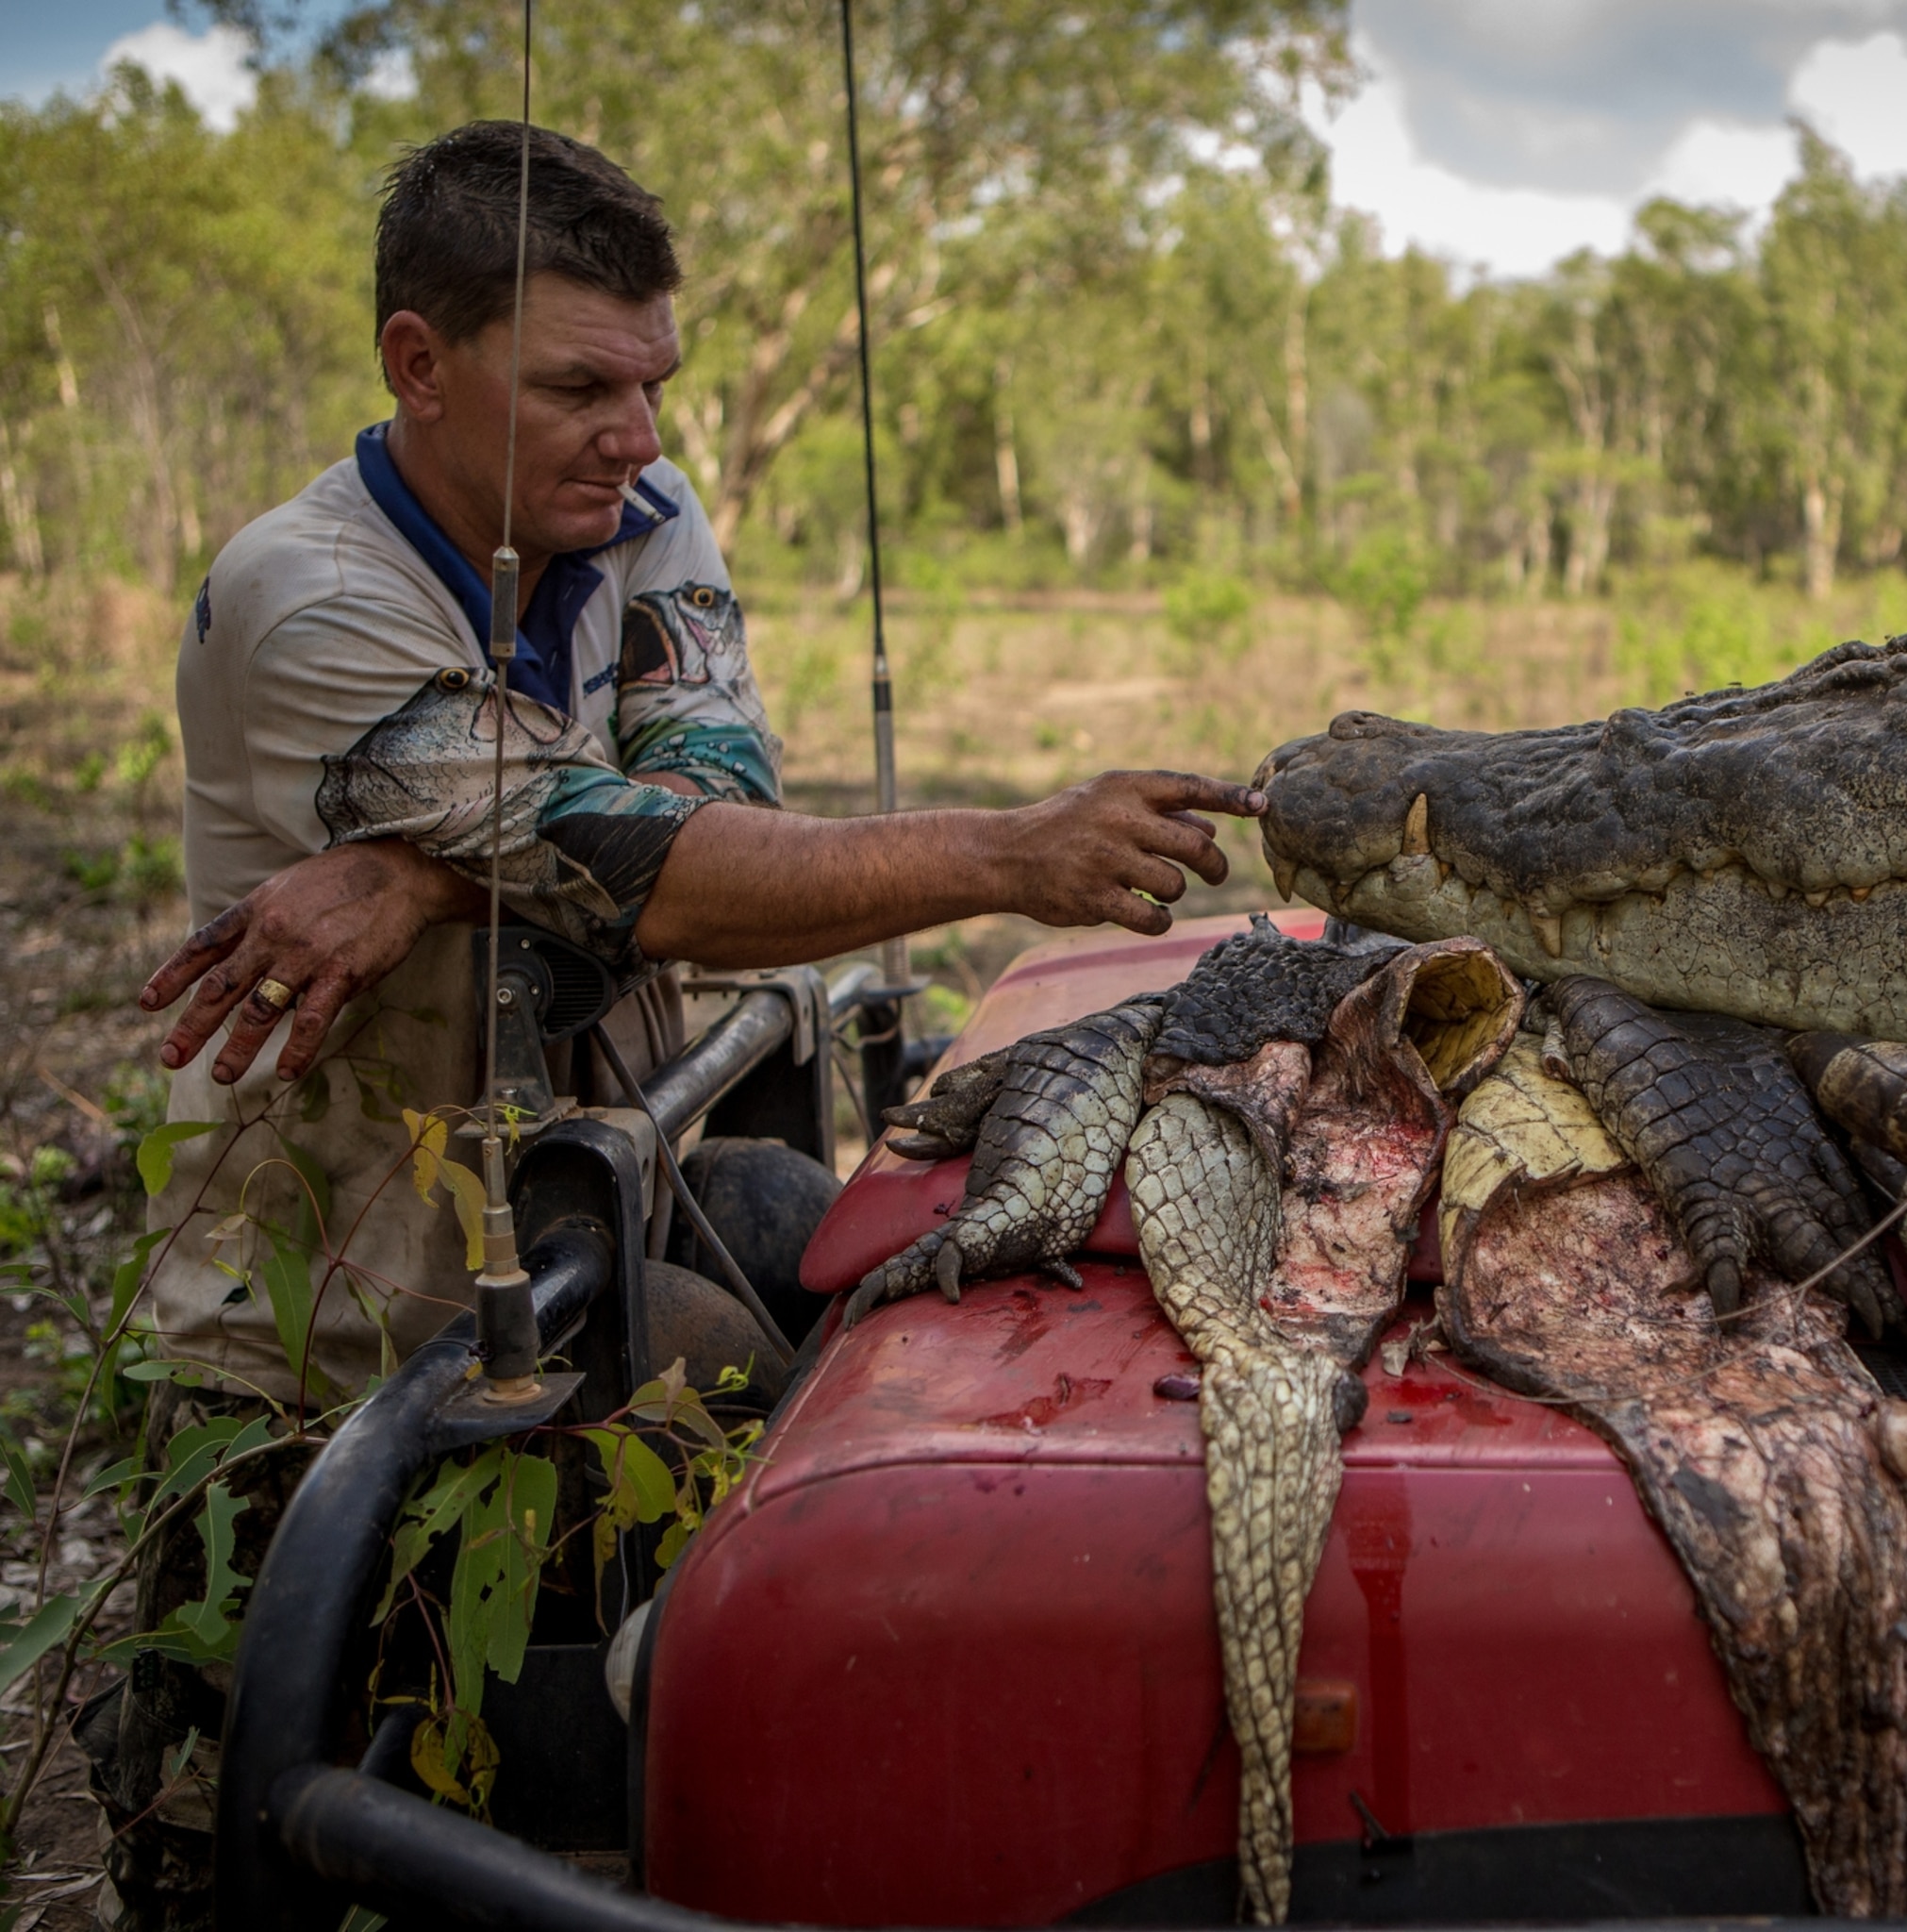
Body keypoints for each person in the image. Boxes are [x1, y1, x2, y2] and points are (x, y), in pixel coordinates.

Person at [83, 121, 1259, 1928]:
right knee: (283, 1838)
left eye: (654, 382)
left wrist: (423, 875)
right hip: (325, 1348)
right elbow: (657, 867)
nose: (636, 437)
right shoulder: (300, 599)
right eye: (575, 386)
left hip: (570, 1258)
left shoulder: (633, 502)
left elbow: (715, 787)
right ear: (418, 362)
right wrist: (1007, 848)